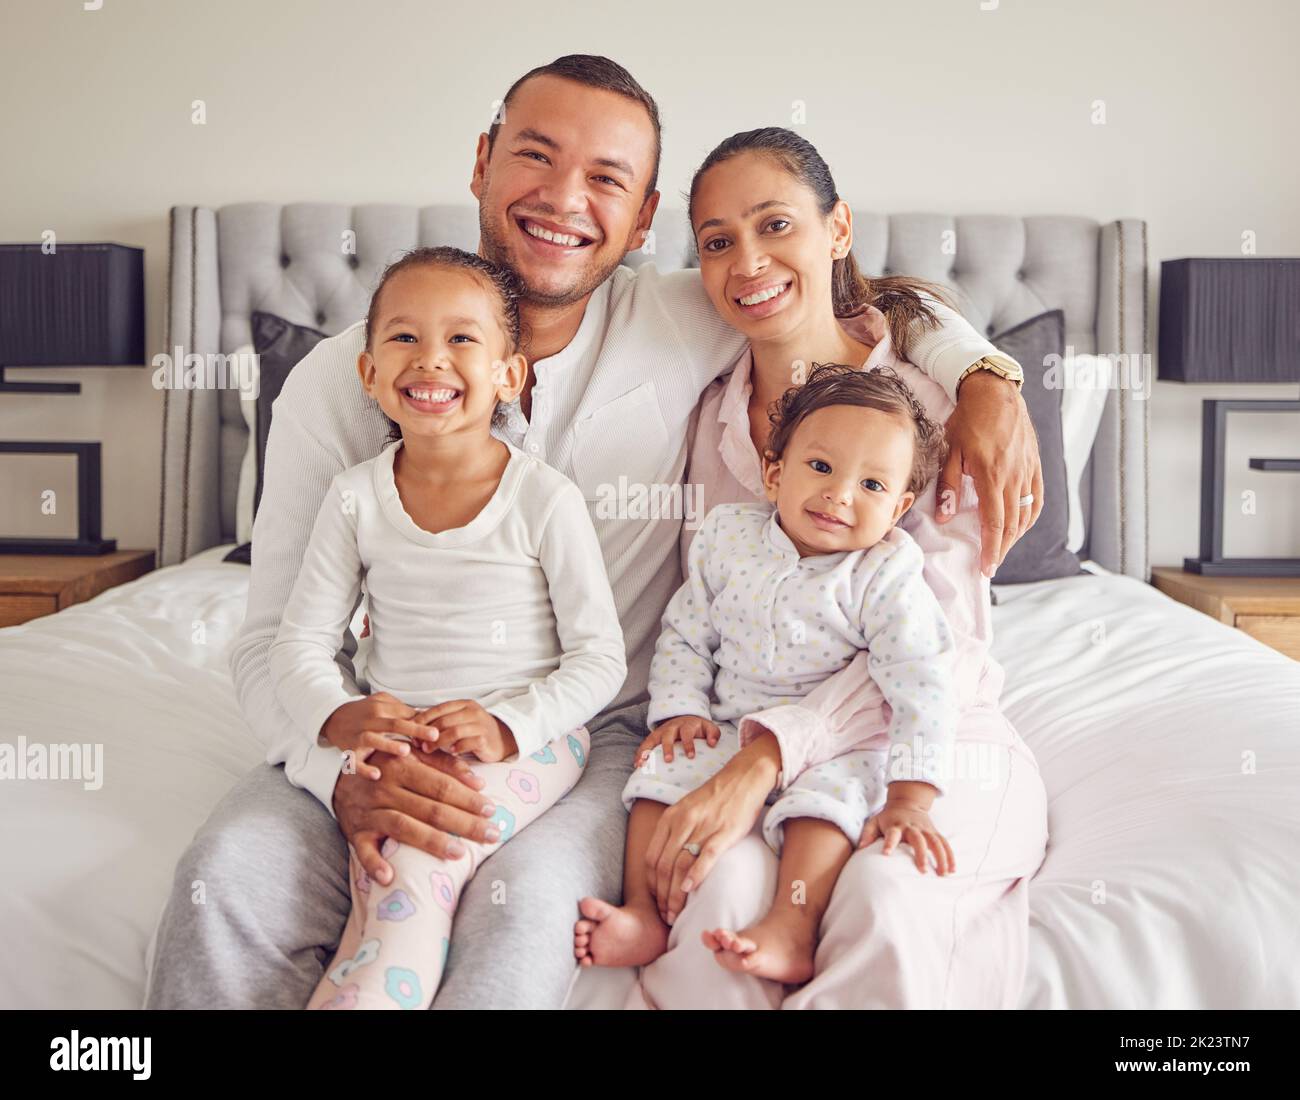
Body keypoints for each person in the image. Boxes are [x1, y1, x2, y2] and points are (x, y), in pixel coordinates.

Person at [145, 56, 1042, 1010]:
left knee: (530, 911)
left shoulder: (685, 314)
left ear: (644, 218)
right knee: (226, 882)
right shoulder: (341, 378)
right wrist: (338, 774)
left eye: (606, 179)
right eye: (534, 156)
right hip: (384, 725)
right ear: (482, 161)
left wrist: (986, 371)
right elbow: (270, 643)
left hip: (594, 731)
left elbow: (846, 301)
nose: (564, 199)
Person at [617, 127, 1049, 1009]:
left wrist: (767, 760)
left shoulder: (937, 407)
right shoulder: (710, 418)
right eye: (717, 241)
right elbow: (706, 608)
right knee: (716, 896)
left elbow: (936, 650)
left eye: (777, 225)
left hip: (924, 742)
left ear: (837, 228)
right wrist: (696, 723)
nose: (749, 262)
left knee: (885, 896)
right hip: (748, 736)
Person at [263, 246, 624, 1009]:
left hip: (532, 735)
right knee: (374, 875)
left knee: (425, 860)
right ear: (367, 374)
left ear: (508, 375)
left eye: (462, 338)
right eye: (403, 337)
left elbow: (600, 660)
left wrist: (505, 727)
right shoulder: (354, 497)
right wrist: (336, 714)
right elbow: (297, 643)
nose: (431, 359)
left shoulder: (543, 499)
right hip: (398, 732)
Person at [576, 364, 960, 984]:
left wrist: (912, 798)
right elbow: (687, 632)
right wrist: (679, 710)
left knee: (824, 812)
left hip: (839, 744)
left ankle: (791, 924)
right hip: (729, 725)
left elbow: (924, 685)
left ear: (899, 507)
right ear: (775, 472)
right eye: (821, 468)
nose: (839, 495)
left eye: (870, 484)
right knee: (656, 779)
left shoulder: (885, 575)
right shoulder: (728, 536)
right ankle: (644, 912)